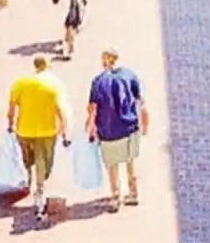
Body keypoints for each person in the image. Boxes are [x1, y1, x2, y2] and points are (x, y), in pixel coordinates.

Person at [8, 56, 72, 221]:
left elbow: (11, 108)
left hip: (24, 130)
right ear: (47, 67)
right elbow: (61, 112)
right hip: (47, 132)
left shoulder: (21, 84)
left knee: (27, 159)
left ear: (35, 67)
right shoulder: (54, 86)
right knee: (44, 162)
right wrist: (65, 132)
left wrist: (10, 124)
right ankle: (40, 188)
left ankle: (29, 178)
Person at [86, 47, 149, 212]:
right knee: (130, 162)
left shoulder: (98, 81)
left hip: (108, 130)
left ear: (106, 59)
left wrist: (91, 127)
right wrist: (145, 124)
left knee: (112, 165)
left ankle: (116, 197)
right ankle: (133, 193)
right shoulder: (129, 75)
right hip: (129, 127)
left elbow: (93, 108)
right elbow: (141, 102)